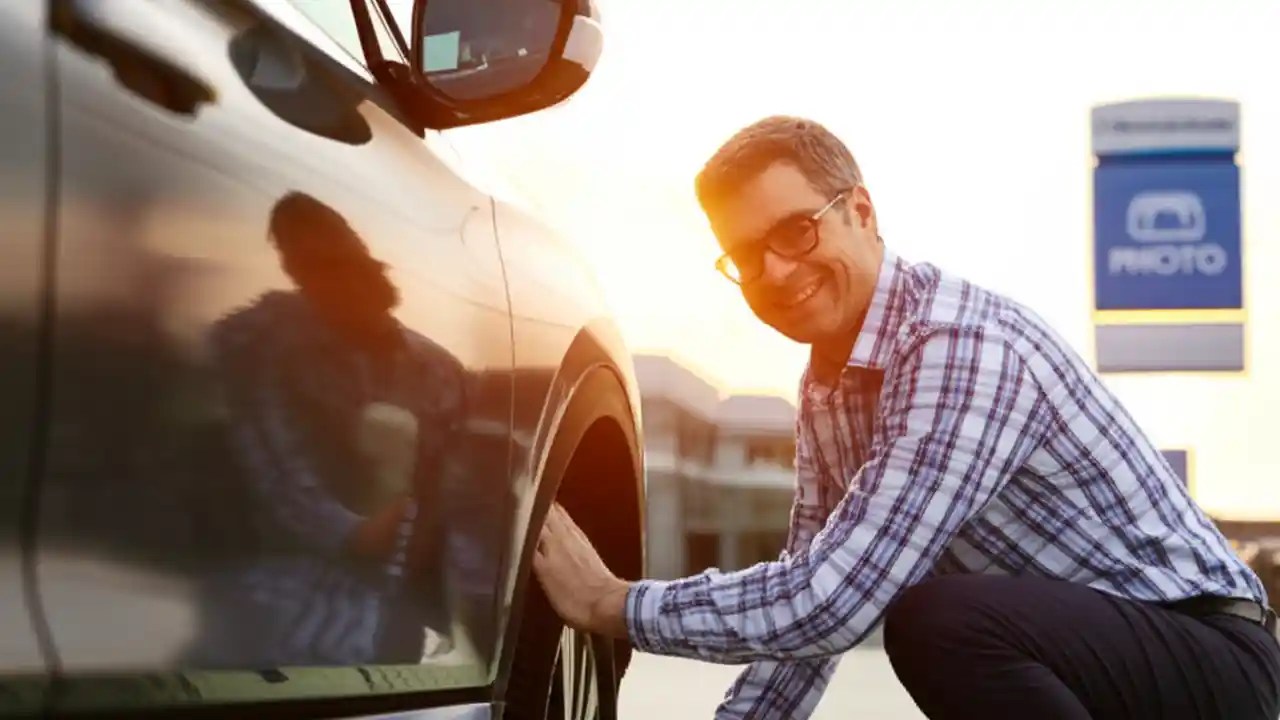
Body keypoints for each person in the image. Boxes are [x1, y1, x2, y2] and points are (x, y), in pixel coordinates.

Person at [532, 116, 1280, 719]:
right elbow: (806, 624)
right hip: (1098, 665)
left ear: (861, 211)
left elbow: (833, 604)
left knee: (938, 623)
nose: (776, 273)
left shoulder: (956, 348)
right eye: (746, 255)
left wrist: (614, 603)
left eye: (795, 232)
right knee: (936, 618)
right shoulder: (829, 388)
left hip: (1211, 661)